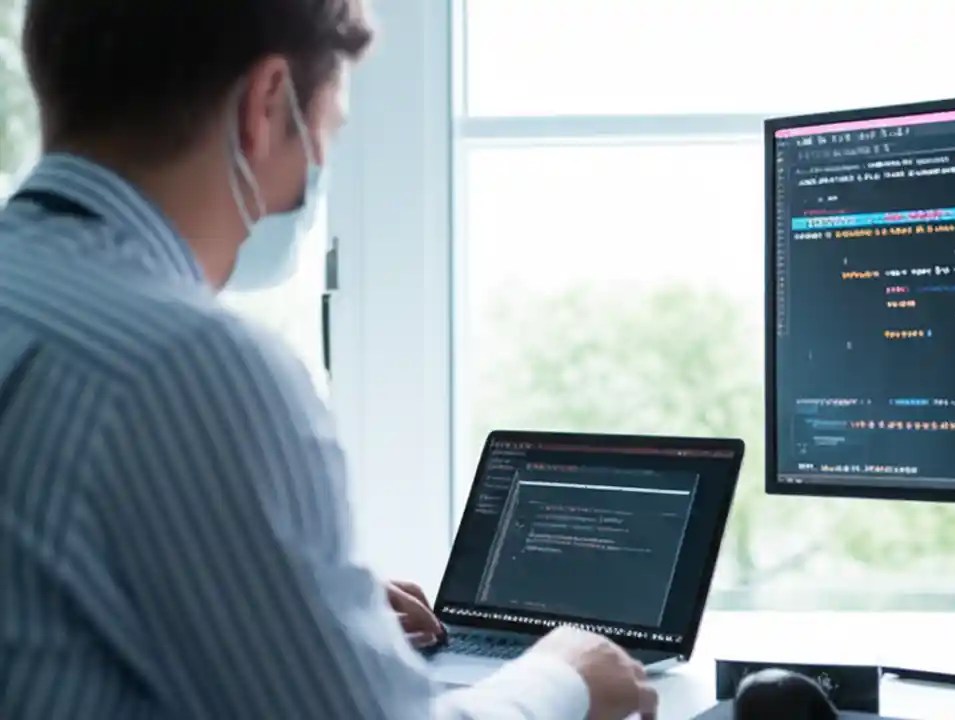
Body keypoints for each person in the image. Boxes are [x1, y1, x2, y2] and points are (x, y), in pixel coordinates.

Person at [0, 1, 657, 718]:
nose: (315, 173)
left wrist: (282, 599)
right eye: (327, 133)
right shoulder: (190, 367)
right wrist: (563, 675)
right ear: (266, 104)